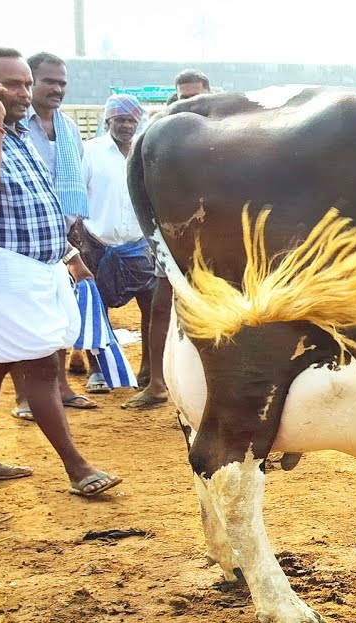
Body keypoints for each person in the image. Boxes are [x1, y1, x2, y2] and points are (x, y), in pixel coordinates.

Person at [0, 47, 119, 496]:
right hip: (0, 269)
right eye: (12, 84)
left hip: (33, 267)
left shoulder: (20, 136)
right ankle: (77, 468)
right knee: (40, 366)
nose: (24, 92)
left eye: (26, 83)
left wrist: (67, 254)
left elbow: (38, 207)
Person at [10, 50, 99, 418]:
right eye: (49, 81)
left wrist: (75, 234)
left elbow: (73, 181)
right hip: (19, 238)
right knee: (18, 321)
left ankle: (61, 386)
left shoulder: (68, 128)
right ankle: (23, 397)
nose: (57, 89)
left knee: (59, 316)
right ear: (30, 83)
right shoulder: (16, 126)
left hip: (59, 236)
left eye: (62, 82)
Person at [126, 69, 211, 410]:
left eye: (196, 96)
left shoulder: (227, 134)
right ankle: (158, 382)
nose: (189, 102)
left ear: (210, 93)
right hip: (175, 236)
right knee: (162, 305)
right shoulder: (163, 138)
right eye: (183, 96)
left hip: (219, 239)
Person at [80, 94, 158, 383]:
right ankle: (96, 370)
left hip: (138, 247)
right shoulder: (90, 152)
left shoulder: (145, 153)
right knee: (95, 309)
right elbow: (76, 198)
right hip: (97, 245)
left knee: (151, 306)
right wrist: (81, 243)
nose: (126, 125)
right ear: (107, 121)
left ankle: (150, 369)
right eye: (120, 120)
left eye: (131, 120)